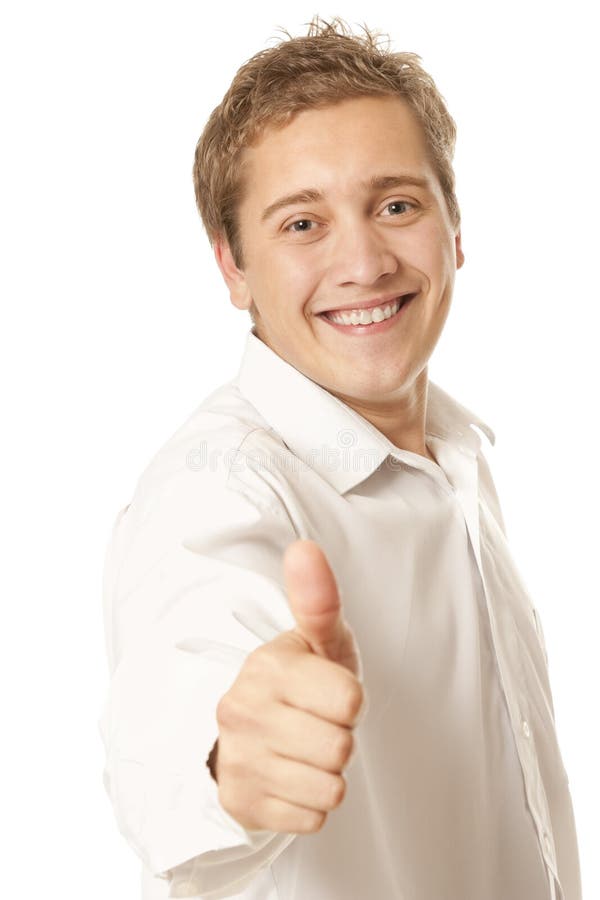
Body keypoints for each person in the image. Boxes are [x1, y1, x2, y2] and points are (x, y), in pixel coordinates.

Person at [98, 15, 582, 900]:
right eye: (302, 224)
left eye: (396, 205)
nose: (363, 261)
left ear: (454, 228)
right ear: (233, 269)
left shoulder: (458, 458)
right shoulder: (219, 487)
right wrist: (230, 762)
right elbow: (177, 734)